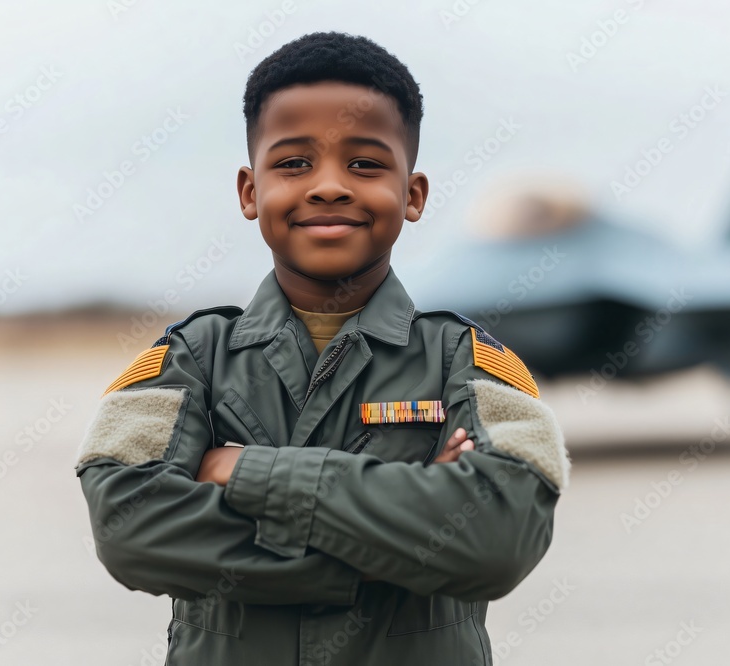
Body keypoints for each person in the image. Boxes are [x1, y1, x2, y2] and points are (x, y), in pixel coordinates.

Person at [74, 31, 570, 665]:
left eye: (365, 163)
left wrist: (240, 469)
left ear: (412, 194)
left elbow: (500, 537)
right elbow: (128, 527)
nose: (329, 186)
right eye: (292, 163)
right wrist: (396, 539)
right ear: (249, 192)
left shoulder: (468, 361)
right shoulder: (190, 358)